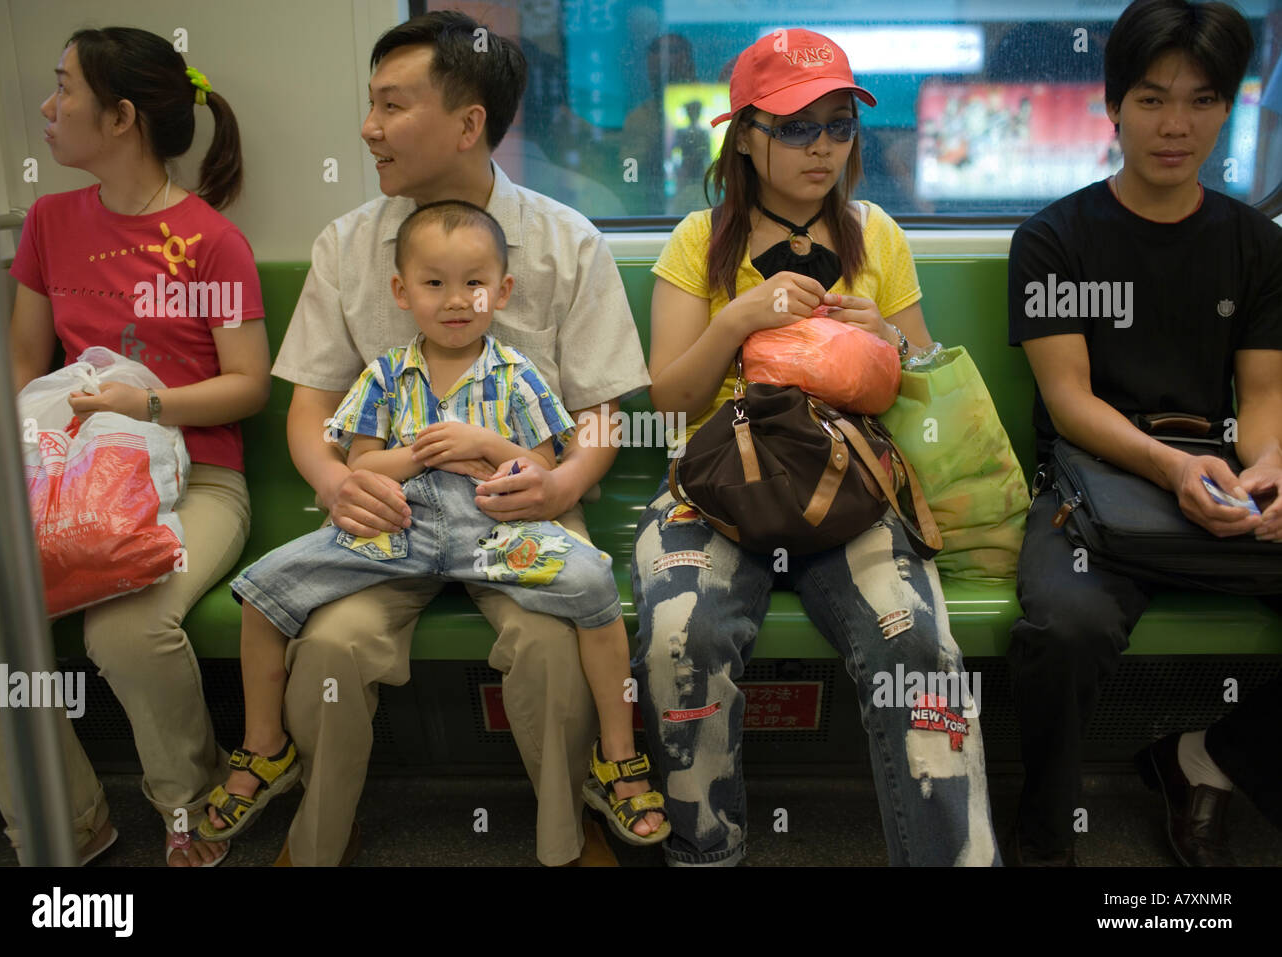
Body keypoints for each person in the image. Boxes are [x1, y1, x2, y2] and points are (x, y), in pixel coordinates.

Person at [269, 11, 650, 866]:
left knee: (551, 643)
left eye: (391, 106)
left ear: (469, 123)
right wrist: (334, 482)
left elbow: (598, 411)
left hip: (519, 508)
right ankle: (319, 832)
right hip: (389, 511)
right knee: (328, 644)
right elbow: (310, 407)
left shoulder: (566, 242)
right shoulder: (347, 245)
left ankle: (567, 829)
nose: (368, 129)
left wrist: (561, 487)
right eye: (369, 105)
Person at [632, 28, 1000, 866]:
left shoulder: (876, 234)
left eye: (839, 126)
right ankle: (706, 851)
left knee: (920, 651)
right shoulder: (702, 238)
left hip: (851, 476)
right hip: (721, 476)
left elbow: (919, 381)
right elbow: (670, 399)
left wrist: (890, 346)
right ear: (747, 135)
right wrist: (738, 318)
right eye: (798, 127)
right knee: (677, 638)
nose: (823, 147)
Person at [200, 202, 667, 846]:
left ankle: (616, 753)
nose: (456, 300)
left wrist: (488, 444)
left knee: (592, 585)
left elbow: (542, 461)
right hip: (400, 529)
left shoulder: (515, 372)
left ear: (502, 292)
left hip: (495, 530)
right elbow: (363, 463)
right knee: (261, 589)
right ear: (401, 292)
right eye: (434, 283)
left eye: (475, 283)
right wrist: (419, 452)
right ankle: (263, 745)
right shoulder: (386, 375)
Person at [0, 26, 269, 867]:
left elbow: (246, 381)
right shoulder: (49, 221)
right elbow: (24, 363)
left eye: (64, 87)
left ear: (121, 119)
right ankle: (64, 825)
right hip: (70, 472)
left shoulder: (210, 240)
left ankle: (192, 797)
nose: (48, 105)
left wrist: (147, 401)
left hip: (200, 475)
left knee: (128, 631)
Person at [1007, 0, 1282, 866]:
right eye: (1154, 99)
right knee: (1065, 627)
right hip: (1092, 484)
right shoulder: (1054, 240)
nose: (1177, 125)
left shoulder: (1255, 245)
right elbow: (1071, 399)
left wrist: (1272, 470)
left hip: (1226, 474)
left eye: (1203, 101)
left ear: (1228, 108)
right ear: (1113, 102)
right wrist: (1171, 468)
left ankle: (1210, 756)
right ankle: (1046, 841)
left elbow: (1265, 393)